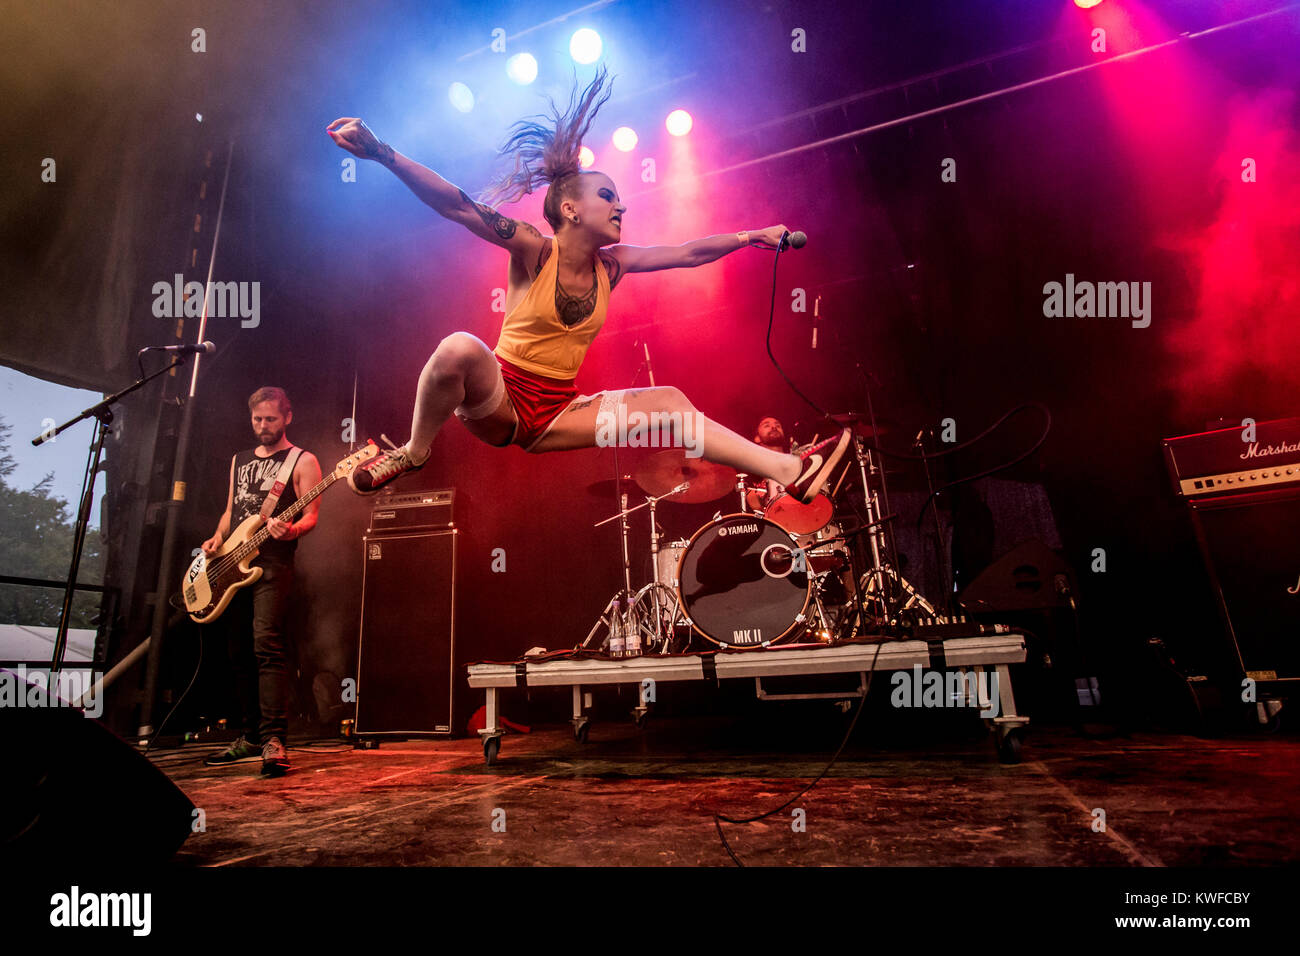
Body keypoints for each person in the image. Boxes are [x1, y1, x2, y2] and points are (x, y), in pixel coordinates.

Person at [325, 64, 850, 507]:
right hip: (501, 400)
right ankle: (415, 452)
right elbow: (458, 205)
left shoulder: (613, 267)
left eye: (619, 197)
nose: (621, 205)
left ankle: (783, 469)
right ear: (571, 208)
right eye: (608, 195)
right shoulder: (533, 248)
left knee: (670, 400)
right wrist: (384, 153)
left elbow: (687, 253)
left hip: (561, 413)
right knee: (459, 347)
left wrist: (750, 235)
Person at [200, 387, 322, 777]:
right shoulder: (238, 460)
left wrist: (290, 531)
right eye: (257, 419)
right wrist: (217, 538)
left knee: (266, 645)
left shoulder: (303, 460)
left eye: (271, 419)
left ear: (287, 417)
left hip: (271, 563)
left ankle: (274, 739)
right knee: (238, 652)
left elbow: (311, 517)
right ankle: (250, 736)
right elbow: (230, 510)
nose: (263, 426)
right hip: (231, 564)